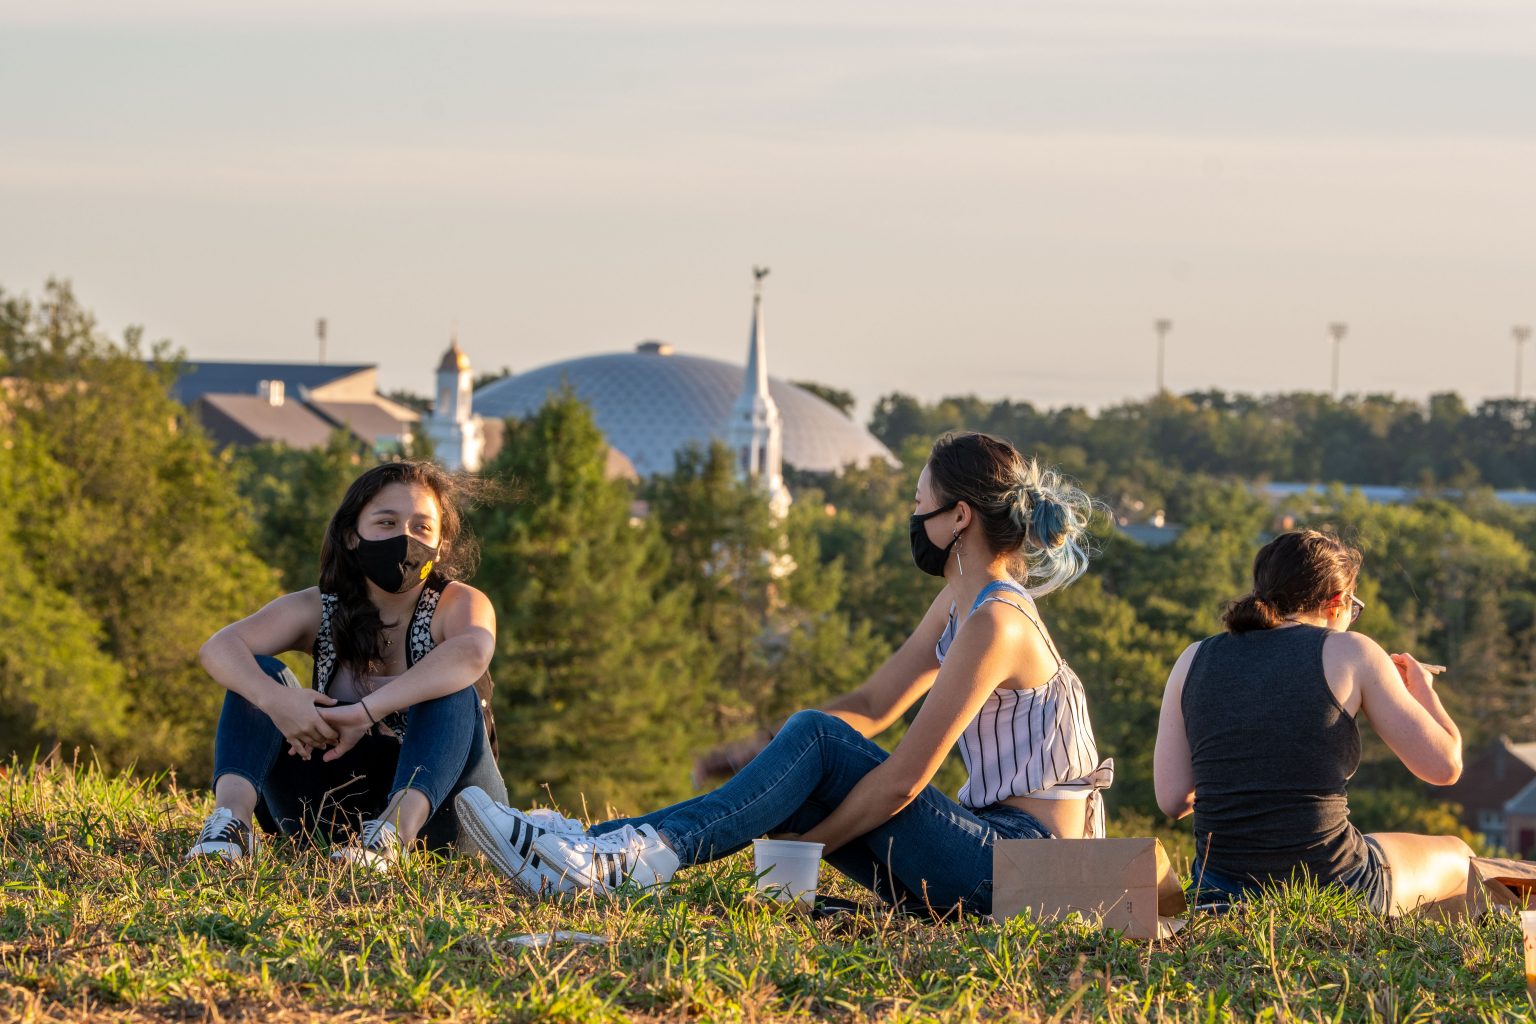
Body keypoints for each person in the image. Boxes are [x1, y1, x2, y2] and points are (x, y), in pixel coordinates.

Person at [456, 431, 1113, 916]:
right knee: (810, 741)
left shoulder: (997, 623)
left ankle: (626, 860)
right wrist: (768, 754)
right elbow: (872, 701)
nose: (913, 519)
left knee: (818, 740)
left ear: (958, 517)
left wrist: (808, 849)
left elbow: (904, 782)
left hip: (1026, 866)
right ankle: (591, 846)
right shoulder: (960, 604)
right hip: (994, 853)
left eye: (920, 504)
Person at [186, 461, 507, 868]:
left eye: (422, 527)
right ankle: (231, 826)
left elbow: (473, 652)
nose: (405, 538)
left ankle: (392, 838)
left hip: (447, 818)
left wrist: (365, 712)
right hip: (329, 814)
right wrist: (277, 702)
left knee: (451, 689)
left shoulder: (459, 603)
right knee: (260, 673)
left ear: (441, 545)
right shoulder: (321, 607)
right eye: (387, 522)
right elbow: (219, 647)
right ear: (352, 534)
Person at [1153, 529, 1471, 917]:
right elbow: (1445, 767)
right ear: (1337, 602)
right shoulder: (1352, 651)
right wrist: (1424, 692)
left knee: (1371, 842)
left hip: (1218, 889)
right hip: (1335, 883)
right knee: (1460, 857)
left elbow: (1172, 799)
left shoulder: (1193, 658)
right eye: (1353, 608)